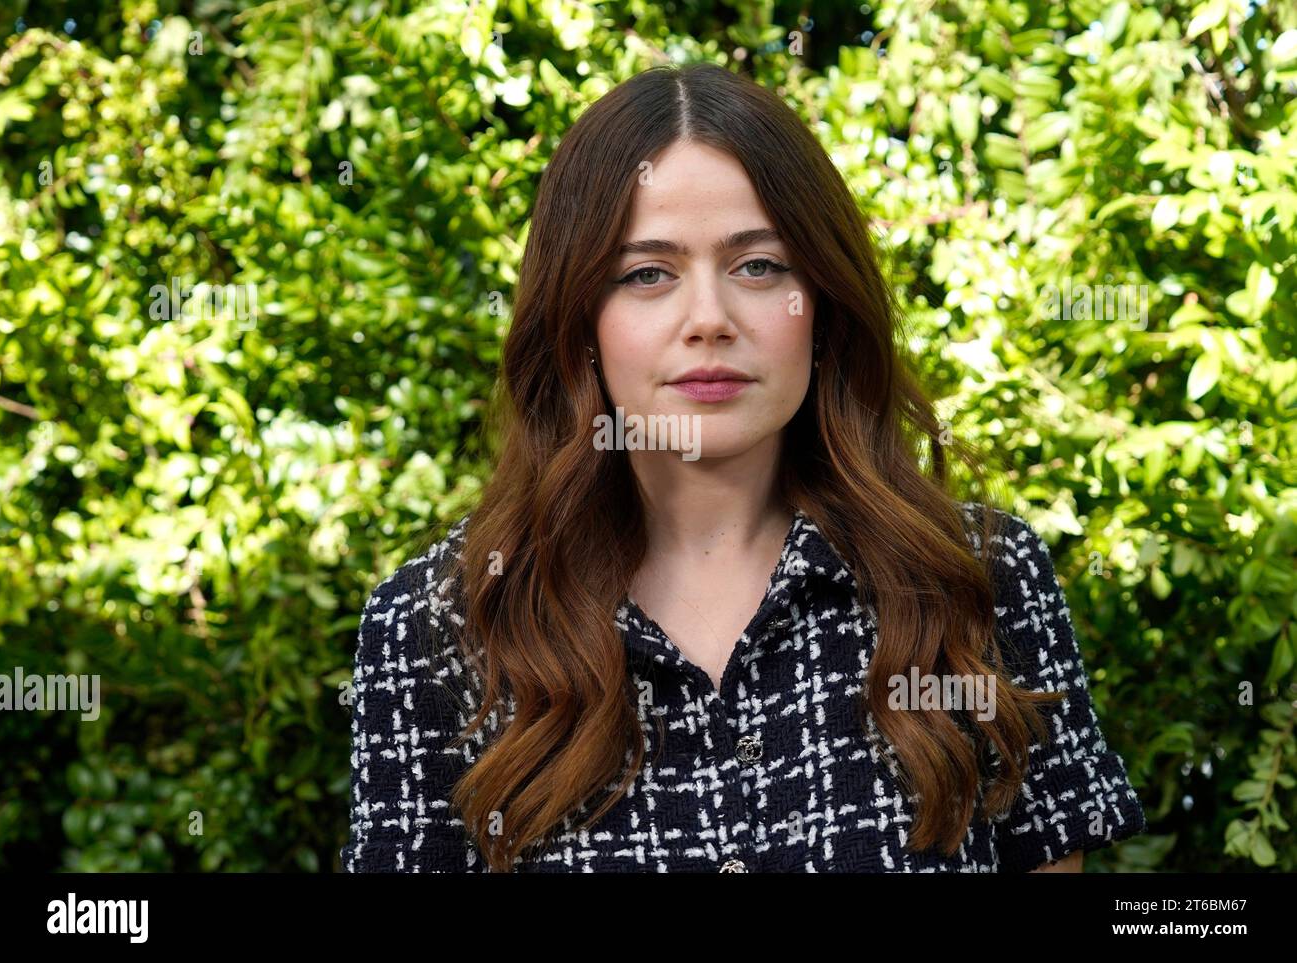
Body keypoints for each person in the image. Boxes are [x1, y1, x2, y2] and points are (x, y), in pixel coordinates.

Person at [340, 62, 1146, 873]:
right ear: (578, 318)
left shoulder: (978, 578)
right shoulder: (439, 626)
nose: (709, 320)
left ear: (824, 302)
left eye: (758, 266)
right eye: (646, 273)